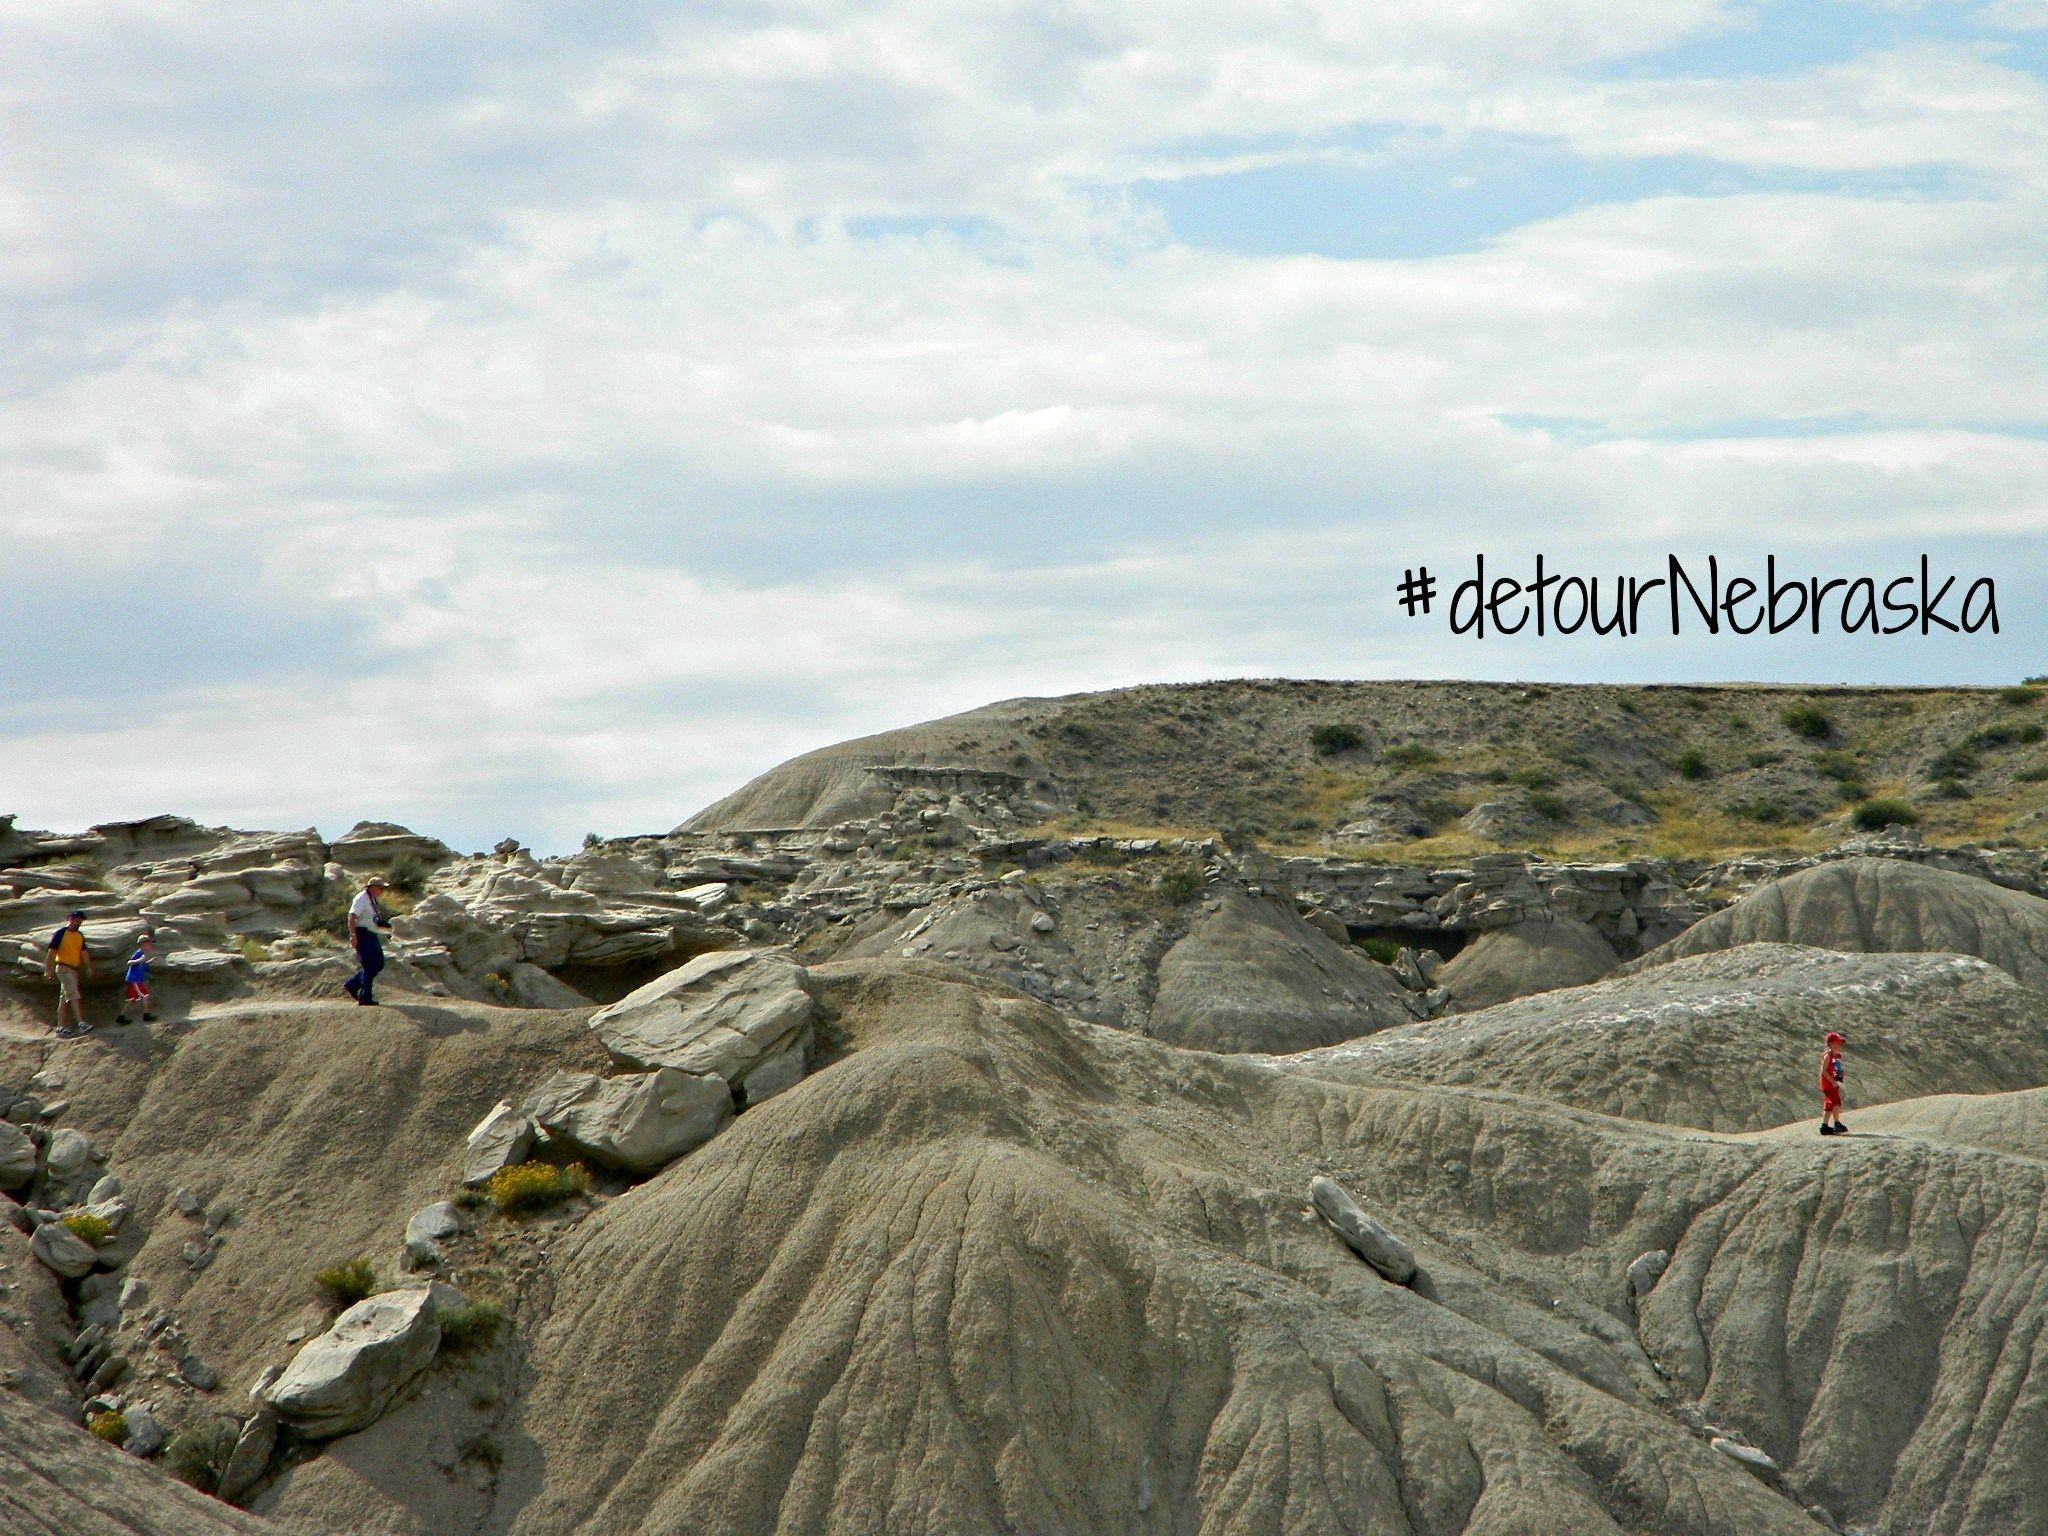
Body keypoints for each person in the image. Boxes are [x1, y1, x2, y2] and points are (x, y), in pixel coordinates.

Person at [44, 910, 94, 1039]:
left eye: (80, 921)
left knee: (64, 998)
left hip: (74, 969)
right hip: (63, 968)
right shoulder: (61, 933)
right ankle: (80, 1023)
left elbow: (84, 953)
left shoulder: (79, 936)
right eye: (77, 920)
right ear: (70, 919)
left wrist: (88, 967)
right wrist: (47, 970)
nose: (78, 923)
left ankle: (60, 1027)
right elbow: (51, 953)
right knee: (73, 994)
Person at [343, 878, 390, 1007]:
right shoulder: (362, 898)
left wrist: (381, 923)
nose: (382, 891)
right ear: (372, 887)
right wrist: (353, 935)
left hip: (371, 934)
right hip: (363, 934)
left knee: (378, 964)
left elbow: (369, 917)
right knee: (370, 965)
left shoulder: (371, 900)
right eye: (381, 888)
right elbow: (352, 916)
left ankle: (353, 984)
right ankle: (365, 996)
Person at [115, 931, 157, 1025]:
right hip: (135, 980)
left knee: (132, 999)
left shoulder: (143, 953)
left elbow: (142, 965)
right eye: (149, 943)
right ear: (143, 944)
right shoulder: (139, 953)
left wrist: (149, 961)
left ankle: (121, 1017)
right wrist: (141, 959)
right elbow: (129, 963)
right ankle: (146, 1015)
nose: (150, 945)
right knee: (145, 995)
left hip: (134, 980)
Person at [1819, 1030, 1848, 1135]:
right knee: (1835, 1103)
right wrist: (1832, 1081)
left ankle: (1825, 1126)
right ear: (1831, 1044)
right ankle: (1837, 1123)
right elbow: (1824, 1071)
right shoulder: (1828, 1056)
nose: (1839, 1044)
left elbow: (1837, 1069)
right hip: (1828, 1084)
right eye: (1837, 1042)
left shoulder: (1837, 1056)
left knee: (1831, 1104)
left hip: (1833, 1083)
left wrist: (1841, 1074)